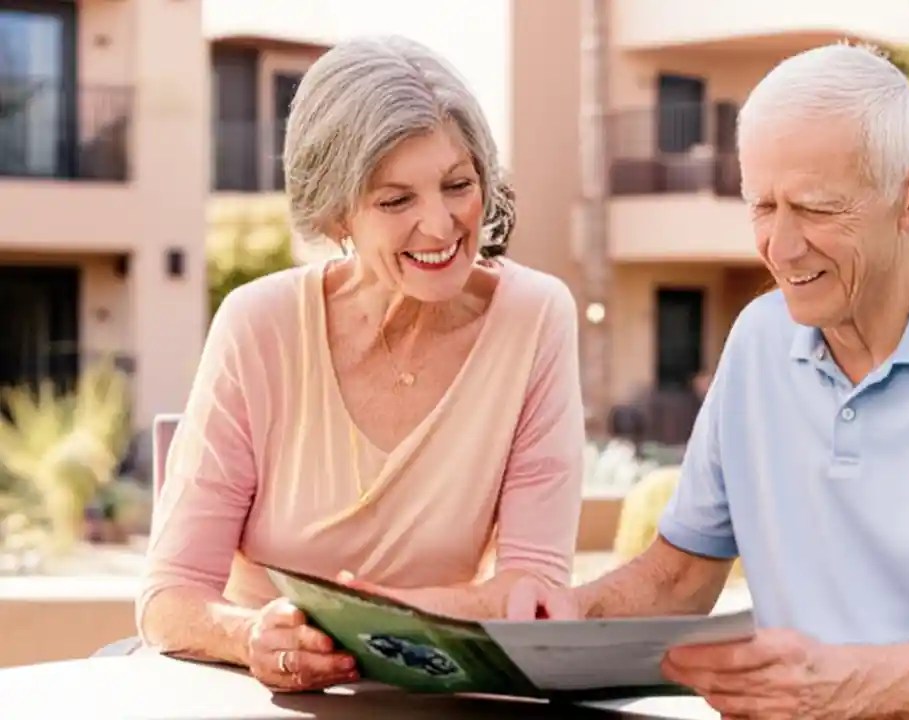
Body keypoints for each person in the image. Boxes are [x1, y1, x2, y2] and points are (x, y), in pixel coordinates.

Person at [507, 43, 909, 719]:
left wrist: (835, 691)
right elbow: (677, 578)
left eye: (817, 209)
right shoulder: (758, 340)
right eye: (762, 206)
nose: (780, 246)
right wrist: (566, 621)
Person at [138, 36, 584, 694]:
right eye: (396, 201)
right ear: (335, 213)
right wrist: (249, 635)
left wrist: (372, 623)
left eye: (458, 185)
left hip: (429, 696)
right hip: (263, 695)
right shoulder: (258, 324)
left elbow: (535, 589)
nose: (441, 226)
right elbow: (170, 597)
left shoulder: (536, 317)